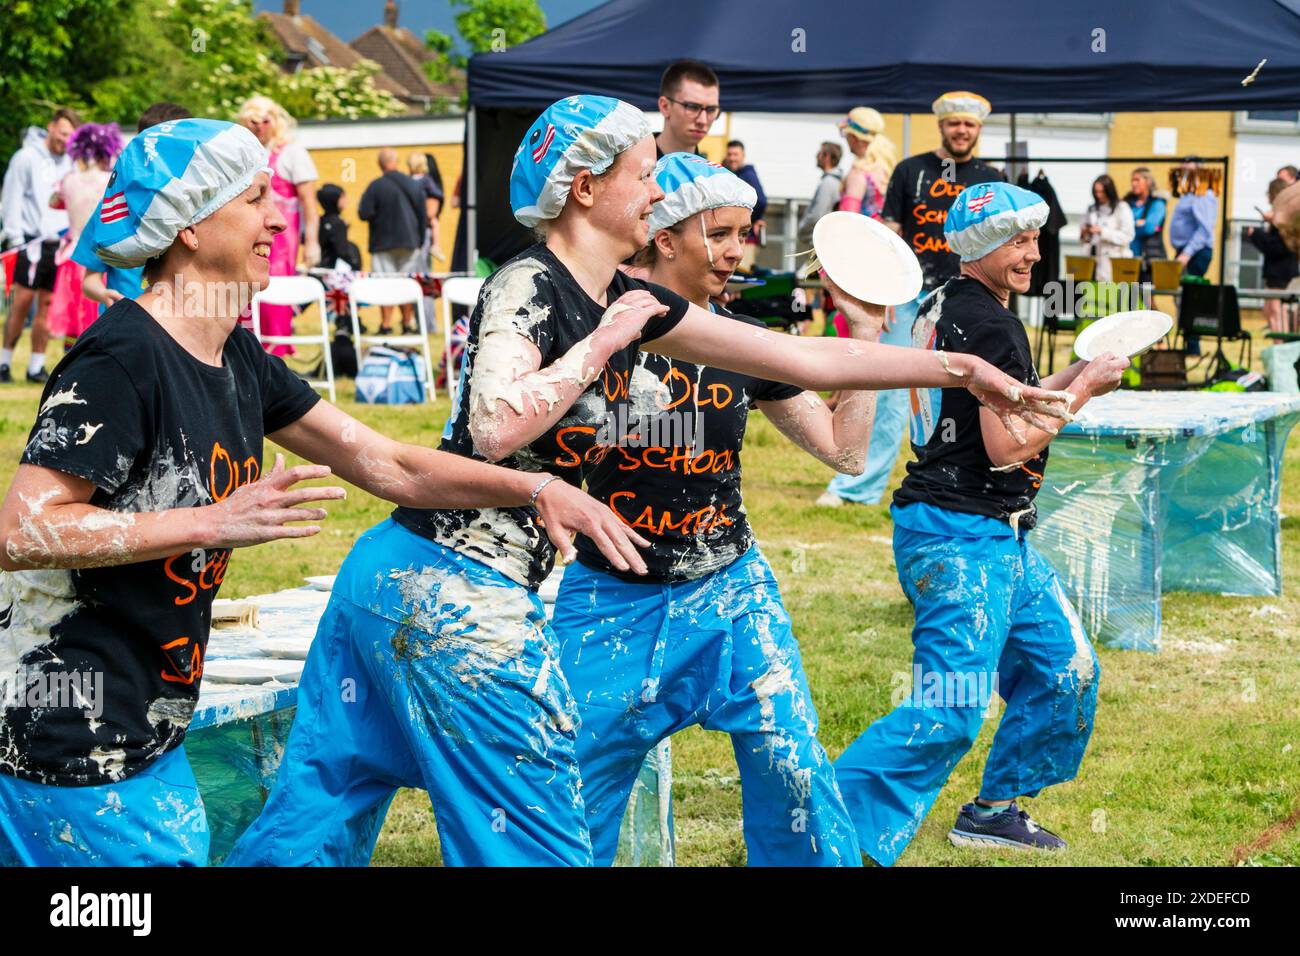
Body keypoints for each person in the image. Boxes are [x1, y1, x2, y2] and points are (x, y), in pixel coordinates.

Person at [227, 95, 1073, 869]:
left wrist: (961, 366)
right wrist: (600, 346)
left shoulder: (642, 305)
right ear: (589, 188)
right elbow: (493, 429)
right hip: (484, 590)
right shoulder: (537, 283)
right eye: (642, 175)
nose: (654, 188)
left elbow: (809, 360)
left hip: (560, 579)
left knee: (331, 799)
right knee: (527, 822)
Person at [0, 118, 641, 867]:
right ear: (190, 228)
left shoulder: (235, 351)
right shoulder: (122, 356)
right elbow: (21, 531)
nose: (279, 217)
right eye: (254, 199)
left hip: (146, 726)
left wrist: (532, 488)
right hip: (69, 734)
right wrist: (207, 523)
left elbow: (386, 465)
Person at [552, 153, 880, 866]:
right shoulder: (600, 326)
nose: (738, 251)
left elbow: (844, 454)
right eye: (721, 233)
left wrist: (867, 335)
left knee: (794, 769)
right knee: (567, 790)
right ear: (664, 237)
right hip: (610, 598)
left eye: (746, 234)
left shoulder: (739, 340)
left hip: (731, 591)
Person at [833, 182, 1129, 865]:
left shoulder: (946, 303)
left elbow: (1005, 397)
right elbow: (1005, 446)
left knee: (1065, 671)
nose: (1034, 254)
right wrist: (1083, 393)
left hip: (997, 531)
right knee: (951, 706)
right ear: (982, 246)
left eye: (1035, 238)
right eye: (1018, 241)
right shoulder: (990, 322)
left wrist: (1075, 370)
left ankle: (992, 812)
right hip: (957, 533)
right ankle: (829, 830)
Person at [818, 92, 1001, 509]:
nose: (961, 130)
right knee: (887, 389)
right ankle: (856, 489)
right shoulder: (909, 170)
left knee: (973, 390)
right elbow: (890, 235)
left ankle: (962, 487)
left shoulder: (992, 178)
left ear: (978, 130)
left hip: (970, 296)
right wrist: (878, 295)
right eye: (954, 123)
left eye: (969, 125)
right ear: (942, 125)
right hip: (908, 295)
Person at [75, 103, 192, 313]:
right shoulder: (113, 208)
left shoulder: (199, 206)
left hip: (181, 324)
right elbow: (89, 280)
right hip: (127, 324)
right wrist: (104, 294)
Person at [236, 96, 320, 354]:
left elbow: (309, 202)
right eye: (253, 121)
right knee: (243, 289)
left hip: (282, 240)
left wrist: (313, 243)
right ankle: (246, 351)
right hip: (245, 235)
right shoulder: (241, 154)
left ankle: (276, 355)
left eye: (265, 121)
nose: (259, 127)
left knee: (276, 294)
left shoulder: (292, 152)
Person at [1, 108, 78, 384]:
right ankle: (4, 361)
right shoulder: (26, 158)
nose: (65, 139)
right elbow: (12, 197)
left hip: (58, 243)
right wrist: (14, 237)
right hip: (29, 241)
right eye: (62, 132)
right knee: (21, 302)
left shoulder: (70, 162)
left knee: (46, 304)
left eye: (71, 136)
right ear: (52, 127)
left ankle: (36, 366)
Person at [47, 123, 124, 349]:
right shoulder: (111, 180)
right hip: (98, 258)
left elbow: (54, 202)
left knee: (72, 321)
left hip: (71, 258)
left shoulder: (68, 180)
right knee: (95, 319)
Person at [357, 148, 428, 334]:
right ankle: (406, 323)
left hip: (383, 243)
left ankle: (386, 325)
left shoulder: (376, 186)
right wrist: (419, 240)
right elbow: (423, 215)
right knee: (407, 283)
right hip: (410, 242)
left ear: (380, 164)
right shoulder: (413, 185)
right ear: (397, 162)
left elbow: (364, 213)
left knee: (385, 284)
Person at [1246, 178, 1299, 335]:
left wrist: (1256, 234)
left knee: (1278, 312)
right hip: (1280, 272)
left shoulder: (1285, 220)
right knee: (1272, 310)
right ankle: (1282, 346)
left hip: (1282, 273)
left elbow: (1277, 247)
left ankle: (1283, 347)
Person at [655, 59, 720, 158]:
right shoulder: (630, 166)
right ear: (665, 106)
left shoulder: (712, 172)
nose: (703, 121)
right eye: (693, 107)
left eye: (711, 110)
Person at [1168, 156, 1218, 278]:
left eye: (1188, 171)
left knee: (1188, 294)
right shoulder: (1188, 194)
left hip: (1195, 252)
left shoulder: (1203, 194)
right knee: (1180, 294)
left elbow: (1205, 228)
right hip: (1185, 251)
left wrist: (1187, 253)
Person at [1080, 174, 1135, 283]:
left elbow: (1128, 236)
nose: (1099, 195)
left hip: (1115, 263)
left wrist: (1103, 231)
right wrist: (1085, 232)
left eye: (1102, 192)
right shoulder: (1092, 209)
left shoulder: (1121, 208)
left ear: (1109, 191)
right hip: (1094, 262)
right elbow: (1084, 239)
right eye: (1096, 192)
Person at [722, 140, 766, 268]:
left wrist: (751, 220)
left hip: (746, 239)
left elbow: (761, 201)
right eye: (729, 154)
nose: (732, 158)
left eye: (735, 154)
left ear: (743, 156)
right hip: (736, 237)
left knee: (742, 275)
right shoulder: (733, 174)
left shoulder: (747, 175)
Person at [796, 141, 843, 247]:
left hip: (822, 243)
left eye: (819, 153)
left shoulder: (828, 183)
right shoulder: (835, 181)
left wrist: (802, 230)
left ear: (827, 157)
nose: (816, 156)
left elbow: (817, 215)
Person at [1124, 167, 1167, 270]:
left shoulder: (1157, 203)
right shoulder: (1127, 203)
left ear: (1148, 182)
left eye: (1137, 180)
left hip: (1151, 260)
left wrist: (1130, 227)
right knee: (1130, 286)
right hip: (1129, 259)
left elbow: (1149, 228)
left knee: (1146, 286)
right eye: (1132, 180)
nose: (1134, 184)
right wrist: (1136, 224)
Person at [408, 151, 446, 266]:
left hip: (413, 223)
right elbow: (437, 194)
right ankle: (436, 245)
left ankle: (436, 246)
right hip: (424, 222)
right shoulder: (427, 180)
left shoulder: (408, 181)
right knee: (434, 222)